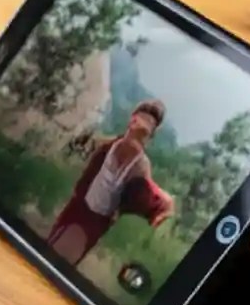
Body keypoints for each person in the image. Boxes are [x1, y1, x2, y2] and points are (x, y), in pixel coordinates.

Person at [46, 99, 175, 265]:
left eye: (150, 123)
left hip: (96, 222)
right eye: (142, 118)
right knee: (49, 249)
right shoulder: (107, 145)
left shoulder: (140, 165)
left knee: (62, 261)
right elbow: (74, 149)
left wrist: (164, 205)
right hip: (78, 206)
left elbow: (152, 193)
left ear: (151, 134)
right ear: (132, 119)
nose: (143, 123)